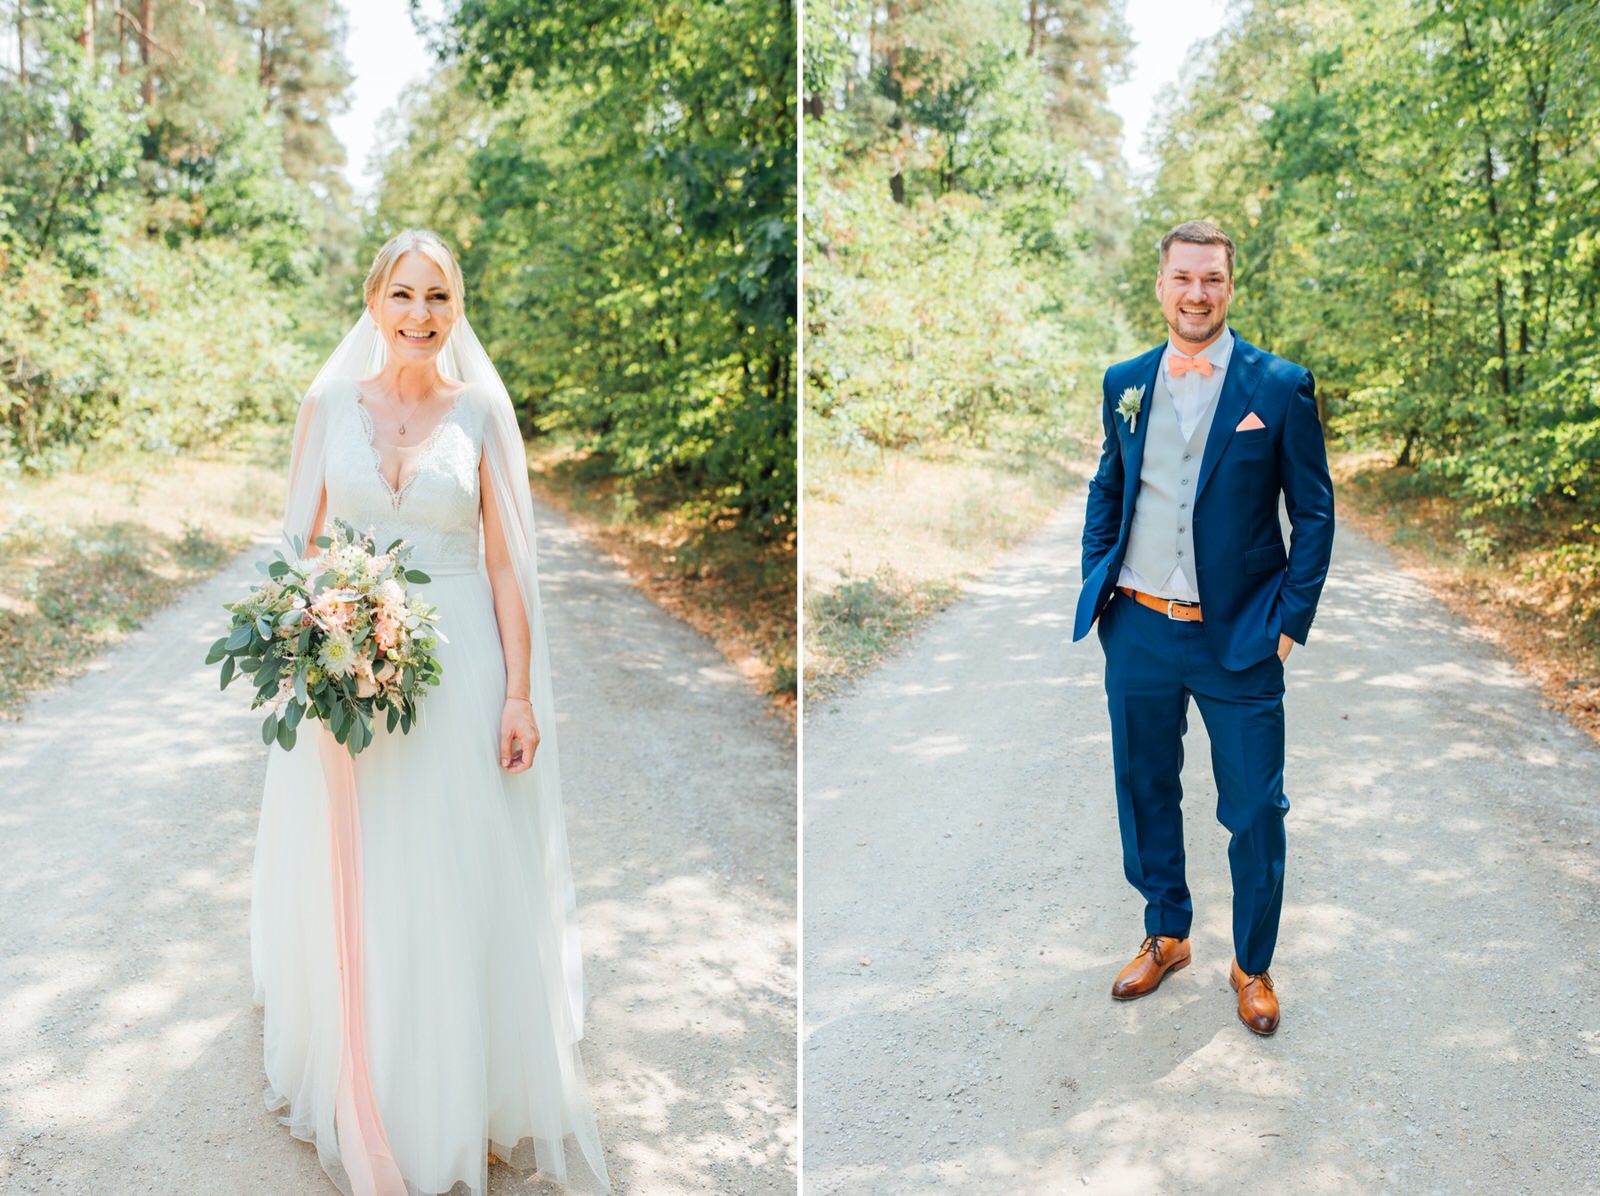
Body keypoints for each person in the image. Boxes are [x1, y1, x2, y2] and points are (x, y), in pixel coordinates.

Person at [249, 229, 610, 1194]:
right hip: (350, 668)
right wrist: (314, 633)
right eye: (403, 296)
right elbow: (300, 546)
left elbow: (505, 563)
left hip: (462, 673)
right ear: (373, 303)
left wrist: (520, 693)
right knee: (372, 877)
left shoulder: (484, 413)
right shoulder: (327, 406)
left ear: (458, 309)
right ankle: (368, 1078)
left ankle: (462, 1095)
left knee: (456, 874)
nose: (419, 316)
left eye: (438, 298)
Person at [1070, 220, 1335, 1036]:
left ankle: (1251, 964)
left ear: (1231, 286)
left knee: (1256, 806)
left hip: (1242, 638)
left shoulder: (1279, 385)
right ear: (1161, 285)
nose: (1196, 293)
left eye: (1211, 279)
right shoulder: (1126, 380)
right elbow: (1108, 487)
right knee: (1145, 787)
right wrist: (1099, 580)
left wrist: (1288, 621)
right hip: (1141, 628)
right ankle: (1167, 933)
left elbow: (1315, 512)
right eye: (1183, 278)